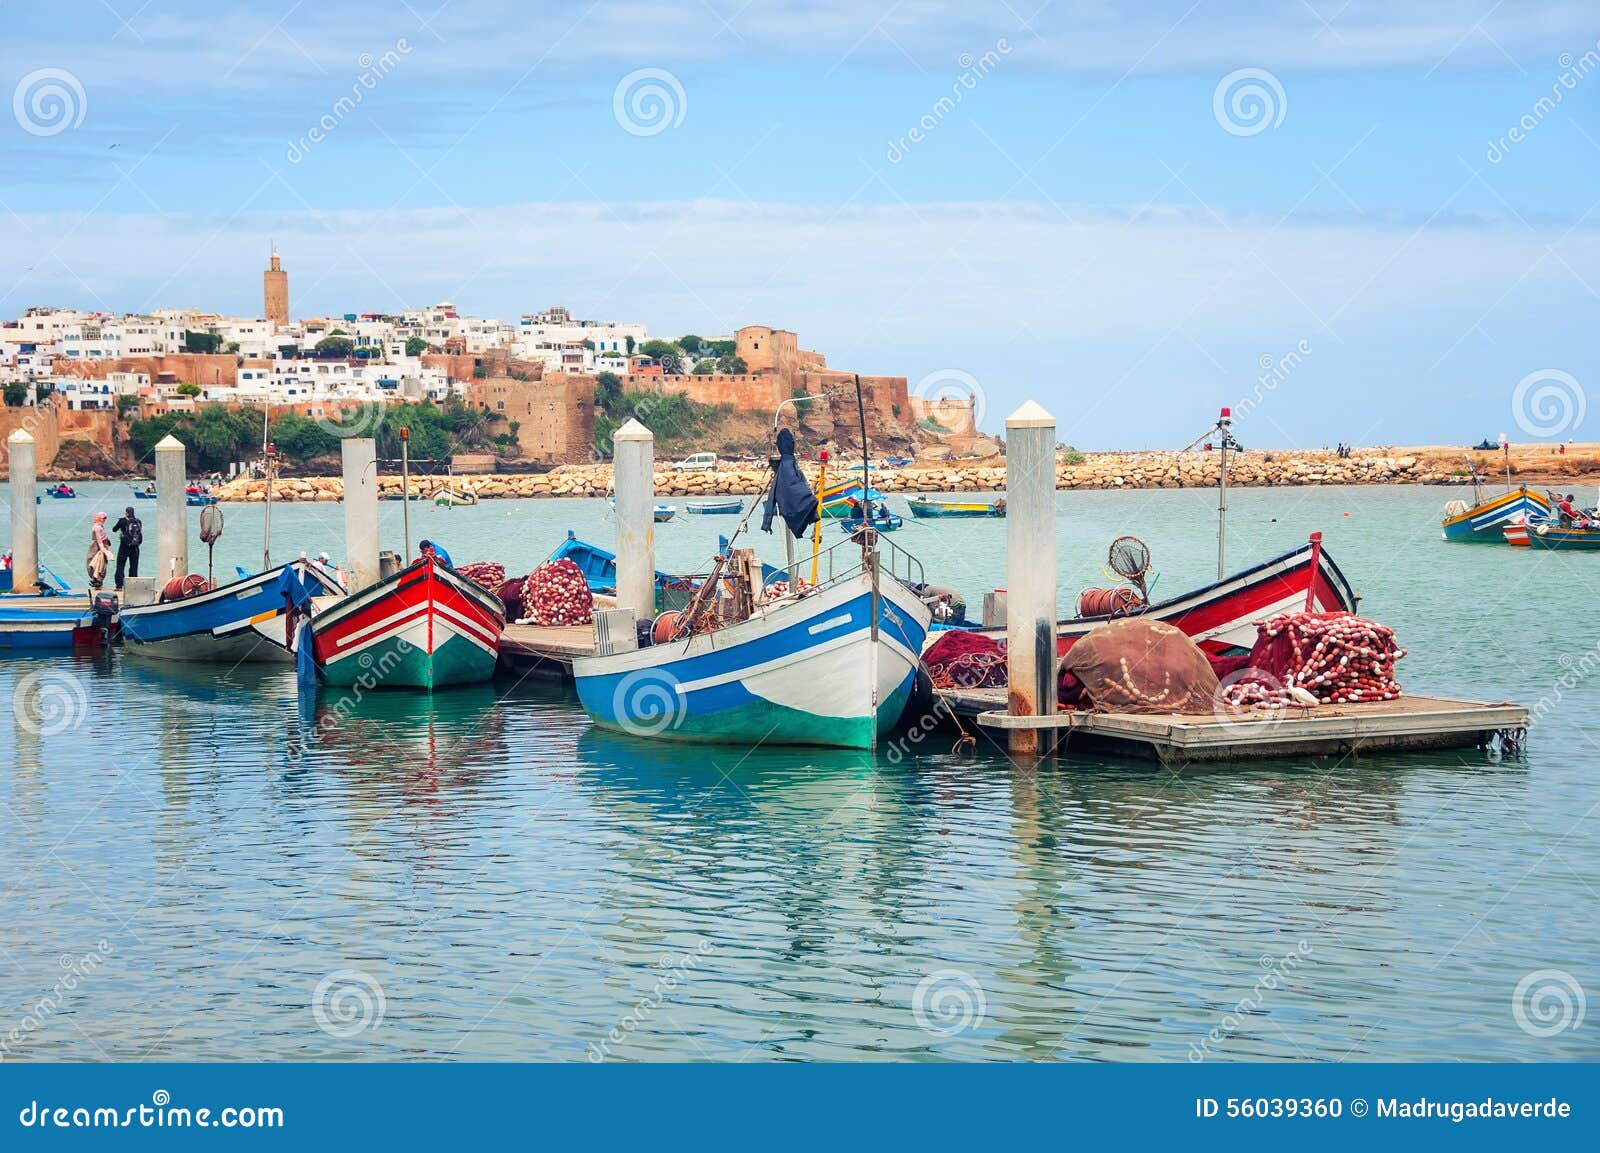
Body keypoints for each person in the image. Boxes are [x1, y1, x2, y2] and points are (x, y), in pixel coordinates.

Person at [111, 505, 142, 590]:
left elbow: (114, 529)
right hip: (135, 547)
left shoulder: (122, 520)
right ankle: (133, 587)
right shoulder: (138, 521)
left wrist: (121, 521)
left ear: (126, 512)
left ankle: (119, 586)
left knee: (120, 565)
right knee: (134, 566)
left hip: (124, 546)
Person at [86, 512, 112, 590]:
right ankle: (97, 582)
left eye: (105, 518)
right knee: (97, 563)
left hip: (102, 545)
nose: (104, 520)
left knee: (101, 564)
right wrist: (103, 550)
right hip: (98, 546)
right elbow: (99, 540)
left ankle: (98, 583)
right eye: (103, 518)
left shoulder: (100, 526)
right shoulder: (97, 527)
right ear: (98, 518)